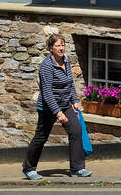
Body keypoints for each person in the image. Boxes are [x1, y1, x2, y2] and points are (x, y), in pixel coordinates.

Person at [22, 33, 92, 179]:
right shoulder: (46, 66)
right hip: (48, 107)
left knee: (76, 131)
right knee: (41, 137)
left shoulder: (66, 61)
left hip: (65, 103)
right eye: (58, 45)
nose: (61, 48)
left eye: (63, 45)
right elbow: (47, 92)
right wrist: (58, 113)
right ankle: (29, 168)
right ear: (50, 48)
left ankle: (77, 168)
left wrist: (75, 101)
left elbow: (70, 84)